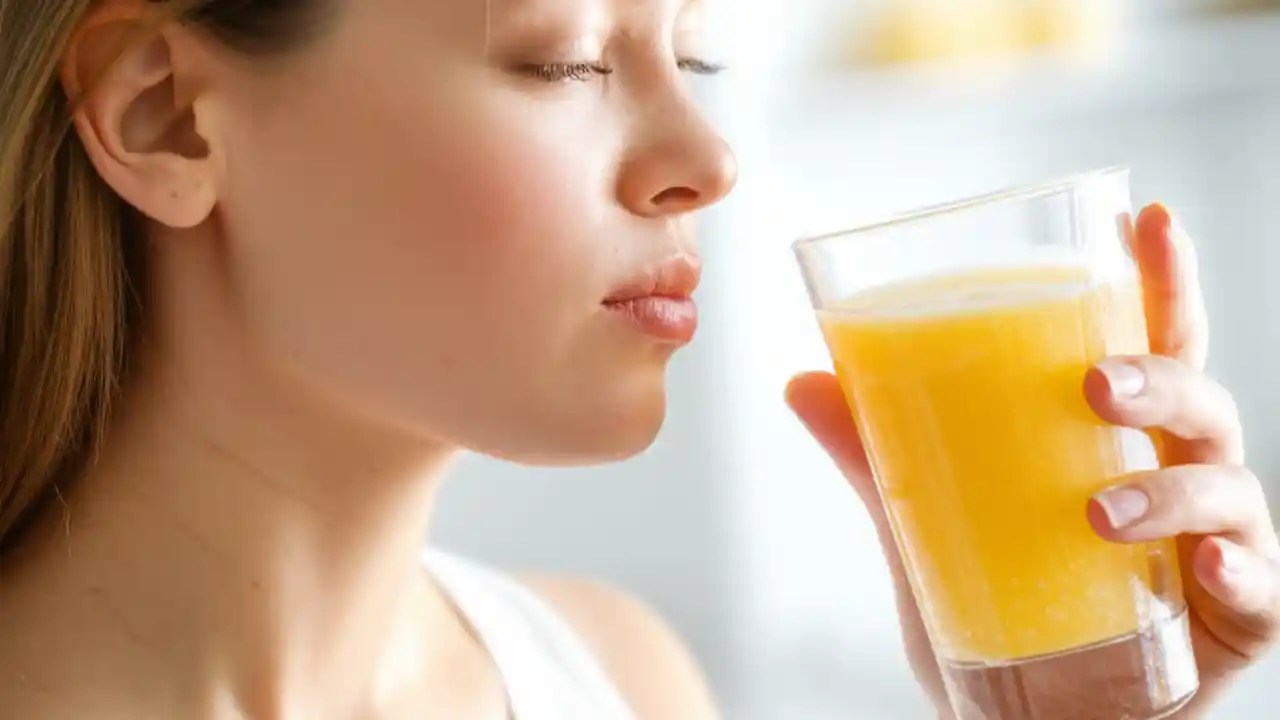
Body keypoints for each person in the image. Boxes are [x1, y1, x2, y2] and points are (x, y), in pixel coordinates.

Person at [0, 1, 1275, 718]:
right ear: (160, 114)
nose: (707, 163)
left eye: (696, 58)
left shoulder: (620, 681)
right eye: (562, 60)